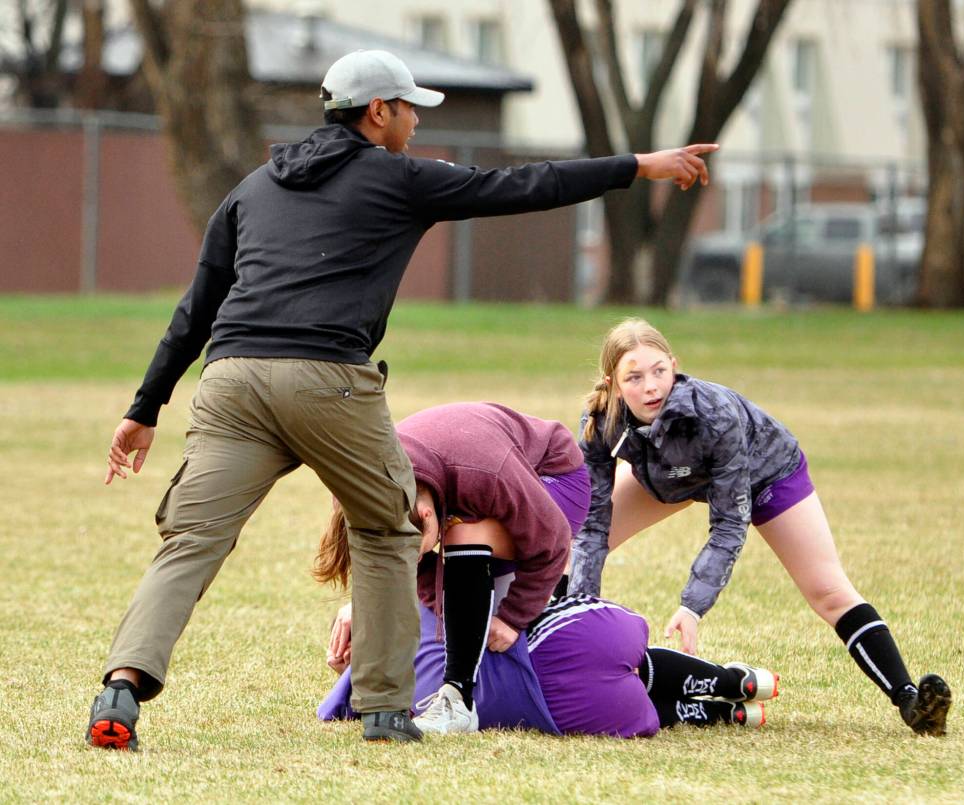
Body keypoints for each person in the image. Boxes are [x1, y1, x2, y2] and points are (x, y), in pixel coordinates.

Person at [89, 49, 720, 750]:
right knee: (389, 528)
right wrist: (637, 166)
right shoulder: (398, 178)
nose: (417, 120)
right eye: (410, 107)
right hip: (328, 376)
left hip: (232, 379)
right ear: (377, 112)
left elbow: (198, 304)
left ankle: (121, 686)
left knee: (192, 541)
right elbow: (522, 185)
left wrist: (145, 407)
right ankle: (387, 708)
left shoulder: (254, 187)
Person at [568, 318, 952, 737]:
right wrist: (581, 614)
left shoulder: (714, 414)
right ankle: (540, 651)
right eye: (635, 377)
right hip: (670, 474)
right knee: (573, 541)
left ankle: (911, 702)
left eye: (660, 371)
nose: (651, 386)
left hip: (764, 473)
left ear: (674, 366)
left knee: (828, 591)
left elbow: (731, 523)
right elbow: (591, 525)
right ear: (613, 382)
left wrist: (693, 605)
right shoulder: (602, 420)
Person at [319, 517, 779, 737]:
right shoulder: (438, 580)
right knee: (623, 655)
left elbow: (332, 710)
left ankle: (719, 713)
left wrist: (349, 668)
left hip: (576, 715)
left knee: (622, 695)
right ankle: (728, 681)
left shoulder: (382, 684)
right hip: (577, 641)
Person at [315, 401, 591, 734]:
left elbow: (555, 540)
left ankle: (459, 700)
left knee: (464, 530)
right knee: (452, 551)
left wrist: (514, 616)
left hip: (552, 476)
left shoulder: (485, 475)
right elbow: (390, 559)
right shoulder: (363, 488)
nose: (413, 562)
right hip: (464, 481)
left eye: (415, 554)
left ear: (429, 517)